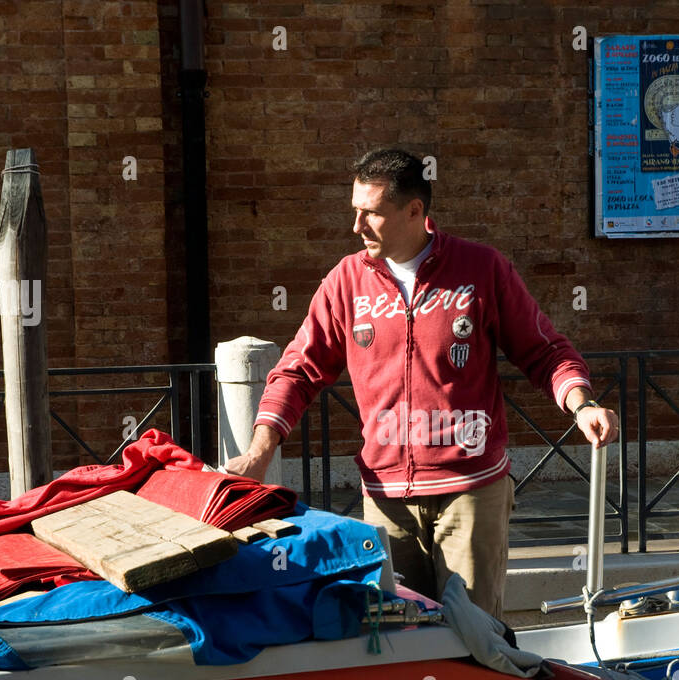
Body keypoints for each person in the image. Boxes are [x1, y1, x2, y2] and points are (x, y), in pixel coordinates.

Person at [225, 148, 618, 616]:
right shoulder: (346, 283)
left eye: (371, 213)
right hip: (385, 502)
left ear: (415, 211)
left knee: (475, 640)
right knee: (399, 641)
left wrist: (583, 404)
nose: (357, 226)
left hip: (470, 492)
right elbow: (298, 369)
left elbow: (544, 350)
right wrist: (260, 450)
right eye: (355, 211)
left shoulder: (482, 270)